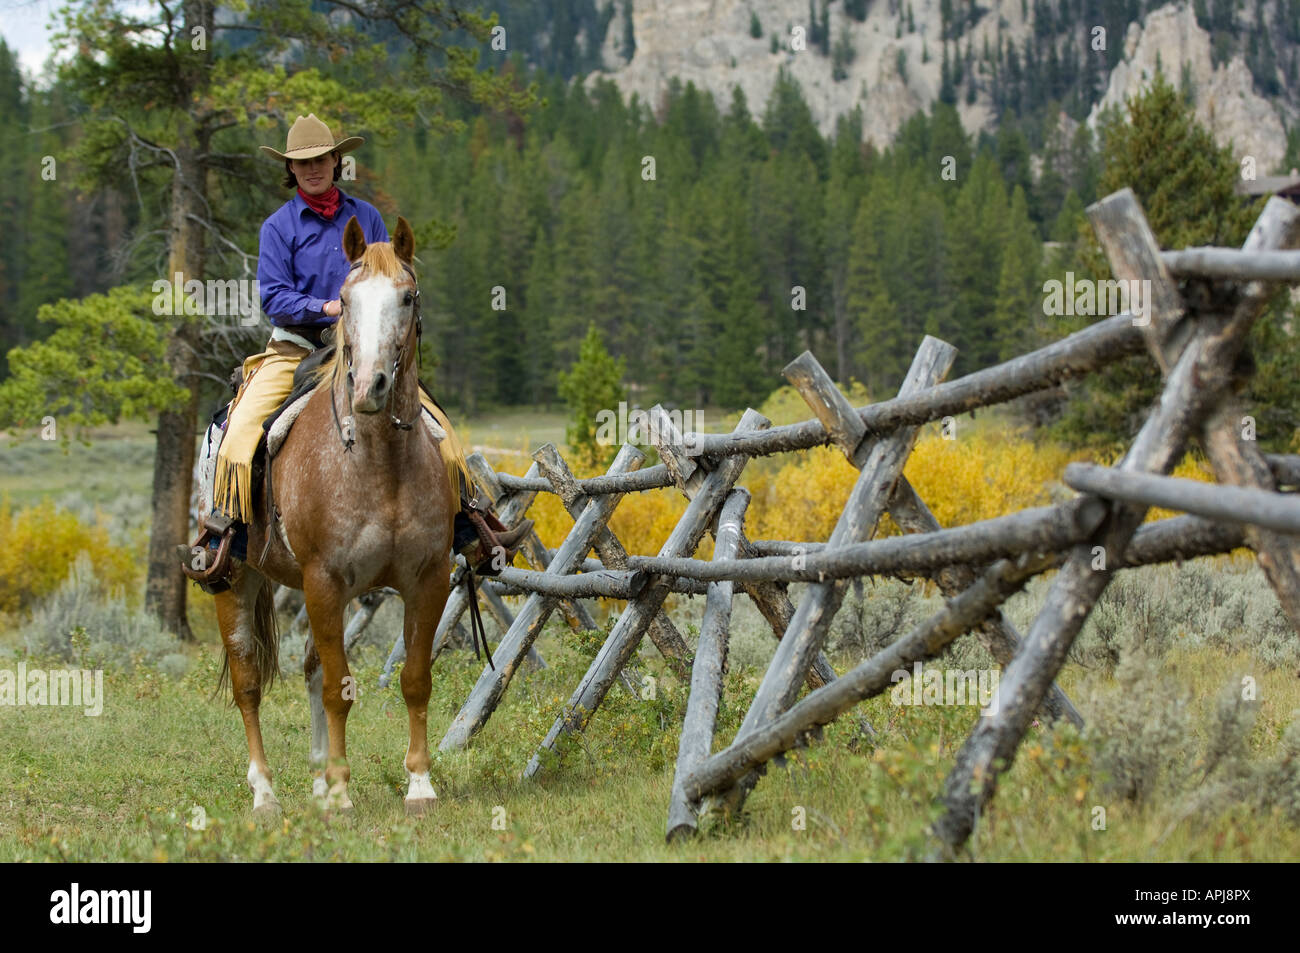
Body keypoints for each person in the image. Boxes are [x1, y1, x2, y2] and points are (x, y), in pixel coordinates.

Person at [181, 113, 530, 588]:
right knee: (240, 428)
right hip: (296, 348)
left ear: (335, 160)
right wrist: (326, 307)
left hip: (364, 350)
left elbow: (387, 280)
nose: (312, 169)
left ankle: (473, 528)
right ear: (290, 169)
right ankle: (226, 537)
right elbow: (274, 298)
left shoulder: (366, 217)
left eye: (320, 159)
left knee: (439, 428)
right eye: (301, 163)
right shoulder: (278, 228)